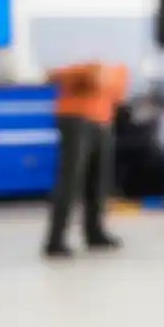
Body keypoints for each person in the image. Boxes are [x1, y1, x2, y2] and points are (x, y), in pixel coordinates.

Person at [43, 61, 125, 258]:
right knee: (71, 179)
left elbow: (116, 93)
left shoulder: (117, 68)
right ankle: (56, 240)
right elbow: (53, 75)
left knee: (98, 180)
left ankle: (95, 232)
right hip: (76, 119)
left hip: (102, 119)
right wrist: (93, 75)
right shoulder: (87, 66)